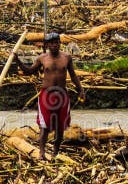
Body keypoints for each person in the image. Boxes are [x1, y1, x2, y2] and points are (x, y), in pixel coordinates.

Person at [14, 32, 86, 160]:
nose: (54, 45)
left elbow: (73, 75)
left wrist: (80, 89)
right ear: (47, 45)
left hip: (62, 95)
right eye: (51, 43)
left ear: (59, 43)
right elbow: (29, 71)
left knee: (60, 126)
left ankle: (55, 152)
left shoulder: (66, 57)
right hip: (47, 95)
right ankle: (41, 153)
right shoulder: (42, 58)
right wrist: (18, 61)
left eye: (56, 42)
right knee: (44, 125)